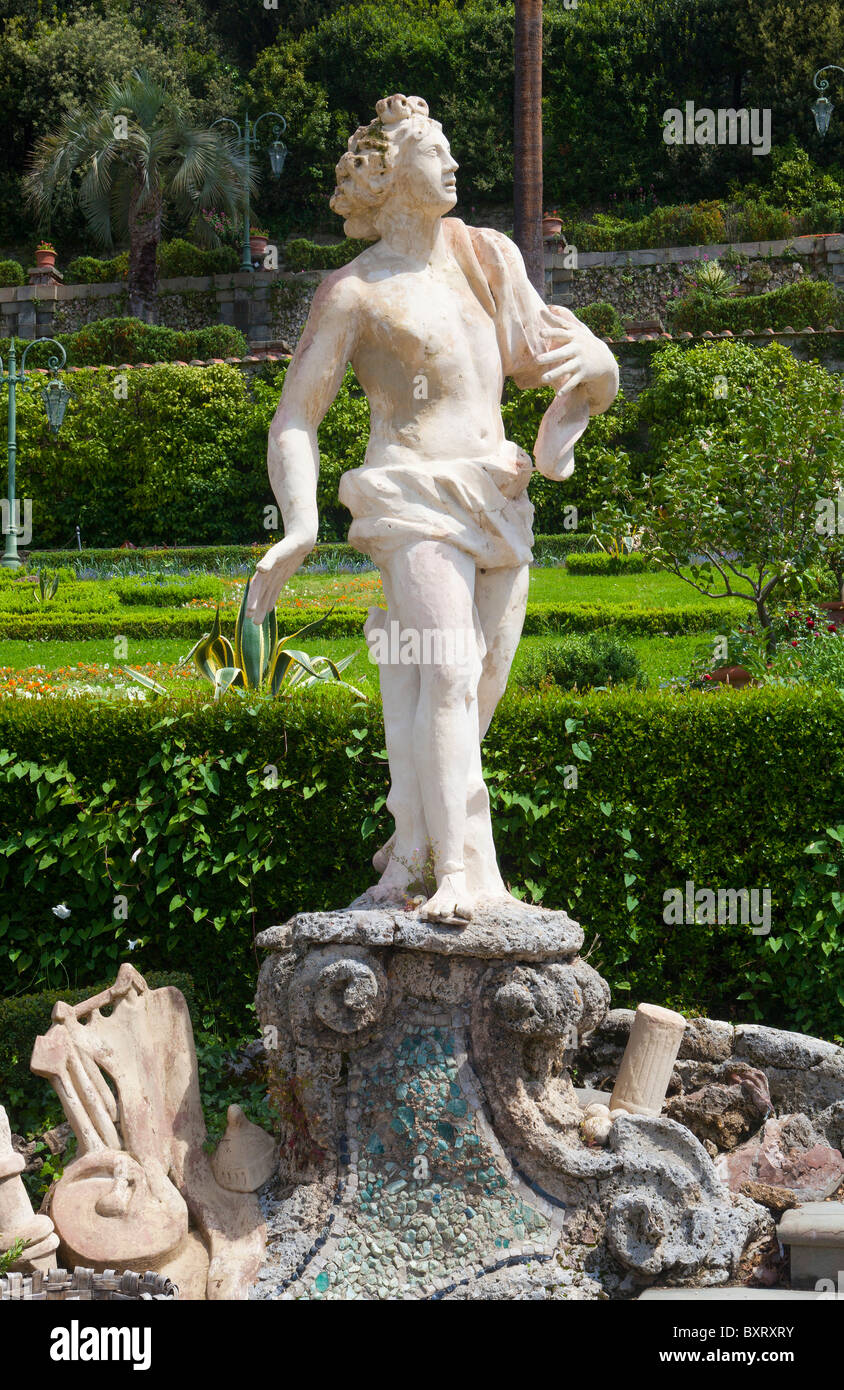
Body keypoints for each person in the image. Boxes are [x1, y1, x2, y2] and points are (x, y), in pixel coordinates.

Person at [247, 94, 619, 924]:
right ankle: (455, 874)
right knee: (447, 669)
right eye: (435, 149)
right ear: (385, 174)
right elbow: (295, 420)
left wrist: (601, 365)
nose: (454, 163)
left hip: (498, 493)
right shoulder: (352, 294)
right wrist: (301, 525)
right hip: (410, 497)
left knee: (467, 688)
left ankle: (413, 848)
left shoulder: (487, 257)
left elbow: (549, 364)